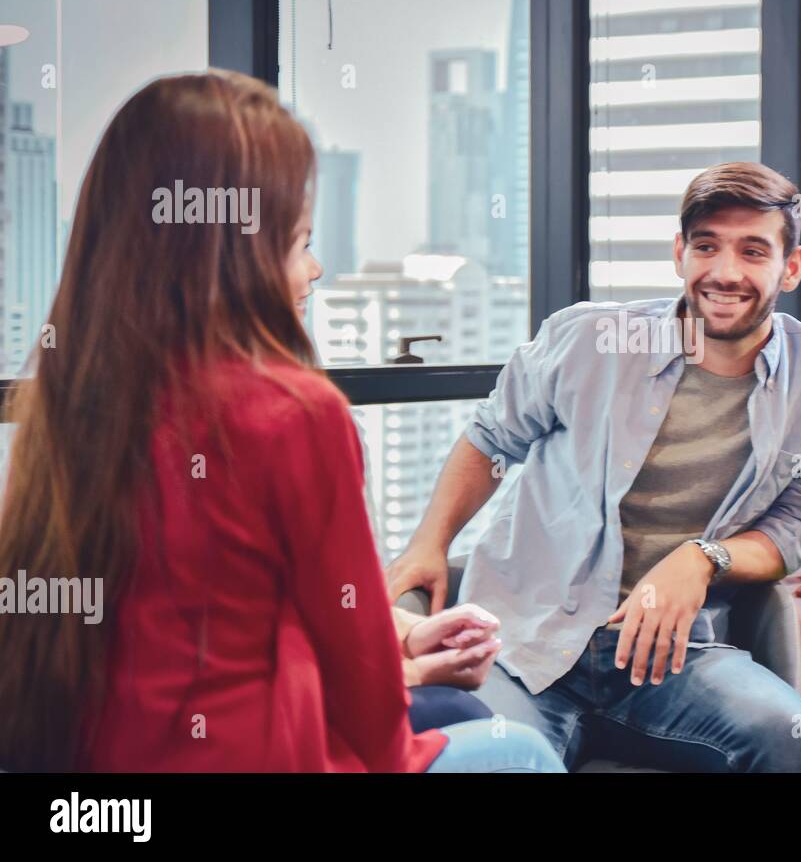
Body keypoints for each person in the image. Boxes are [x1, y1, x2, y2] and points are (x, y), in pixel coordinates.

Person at [0, 70, 561, 773]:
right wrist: (399, 685)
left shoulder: (66, 401)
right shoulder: (293, 415)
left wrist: (403, 652)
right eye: (299, 243)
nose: (315, 269)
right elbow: (371, 720)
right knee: (524, 752)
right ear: (232, 255)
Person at [387, 162, 801, 772]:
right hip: (526, 640)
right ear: (679, 254)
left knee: (789, 735)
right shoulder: (589, 339)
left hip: (676, 654)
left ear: (791, 266)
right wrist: (430, 543)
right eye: (706, 247)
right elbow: (491, 439)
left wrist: (702, 558)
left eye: (753, 251)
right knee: (508, 756)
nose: (725, 273)